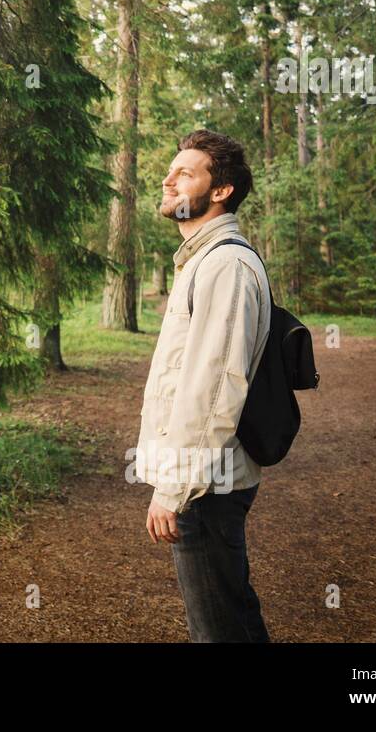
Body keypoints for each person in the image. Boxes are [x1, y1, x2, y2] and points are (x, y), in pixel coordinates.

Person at [135, 128, 271, 642]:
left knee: (219, 631)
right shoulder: (204, 261)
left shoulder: (225, 265)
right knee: (225, 620)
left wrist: (174, 488)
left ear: (221, 192)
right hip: (204, 480)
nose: (167, 181)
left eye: (184, 173)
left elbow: (215, 389)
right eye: (170, 171)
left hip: (207, 486)